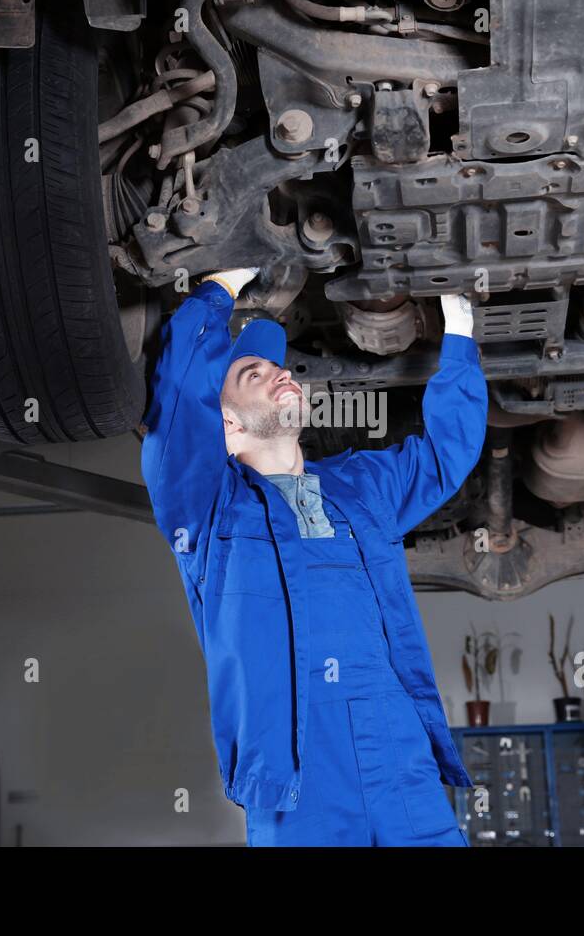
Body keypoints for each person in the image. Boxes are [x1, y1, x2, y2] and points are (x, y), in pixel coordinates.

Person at [140, 267, 488, 846]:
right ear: (226, 425)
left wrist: (458, 329)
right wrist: (222, 285)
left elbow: (444, 457)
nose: (280, 373)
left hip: (403, 761)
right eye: (255, 372)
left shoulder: (362, 489)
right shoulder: (209, 511)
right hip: (298, 779)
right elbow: (175, 412)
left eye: (280, 367)